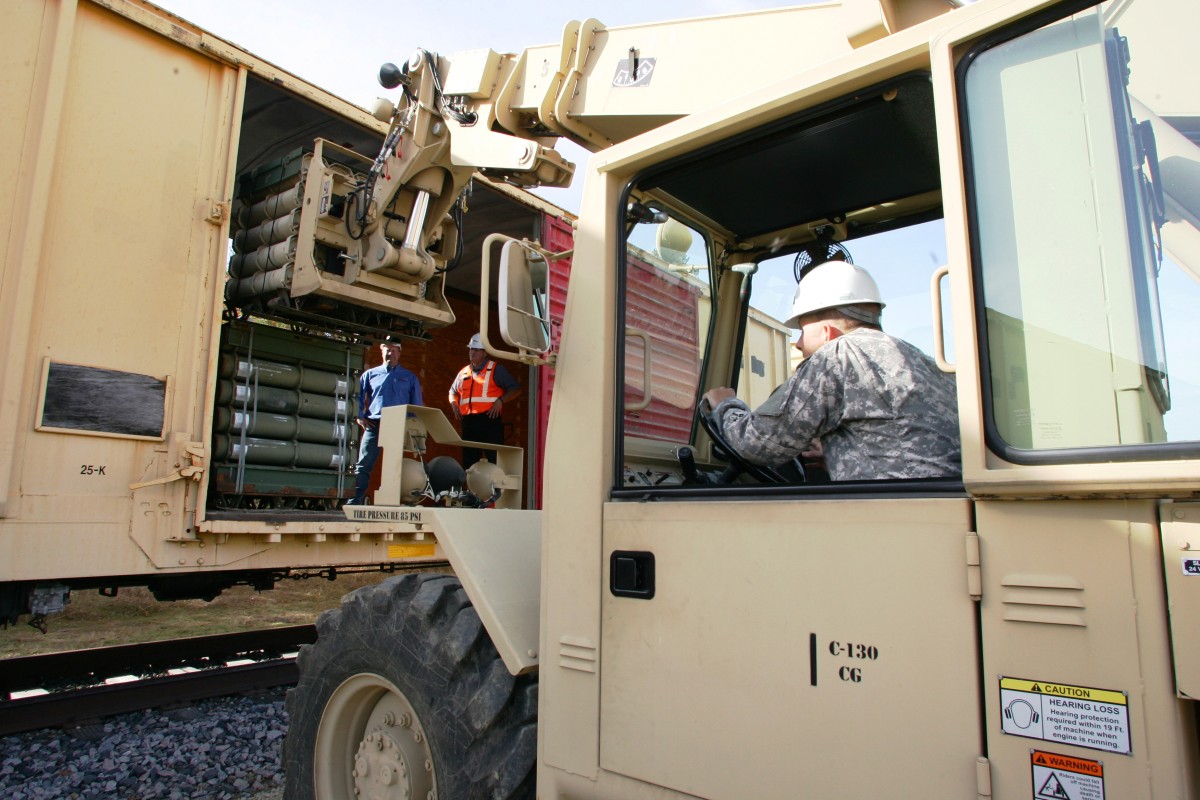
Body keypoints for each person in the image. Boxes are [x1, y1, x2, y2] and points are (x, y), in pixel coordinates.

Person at [701, 260, 960, 481]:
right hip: (939, 503)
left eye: (802, 331)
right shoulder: (916, 357)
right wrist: (837, 453)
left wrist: (726, 406)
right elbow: (903, 445)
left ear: (827, 332)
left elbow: (758, 444)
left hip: (889, 512)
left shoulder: (838, 355)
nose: (799, 343)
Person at [349, 336, 423, 504]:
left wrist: (411, 427)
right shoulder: (370, 374)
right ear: (382, 351)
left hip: (398, 426)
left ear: (400, 352)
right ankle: (354, 501)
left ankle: (393, 502)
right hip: (374, 424)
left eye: (394, 350)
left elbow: (416, 406)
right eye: (387, 349)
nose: (391, 353)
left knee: (395, 467)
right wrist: (360, 417)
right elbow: (357, 396)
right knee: (363, 464)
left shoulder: (410, 377)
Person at [449, 333, 522, 467]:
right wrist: (454, 404)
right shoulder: (464, 372)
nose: (472, 352)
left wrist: (501, 400)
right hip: (468, 423)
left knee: (495, 461)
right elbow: (452, 391)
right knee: (469, 463)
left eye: (476, 349)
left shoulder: (496, 369)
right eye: (471, 349)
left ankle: (497, 488)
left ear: (485, 352)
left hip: (489, 421)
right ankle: (471, 488)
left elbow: (516, 389)